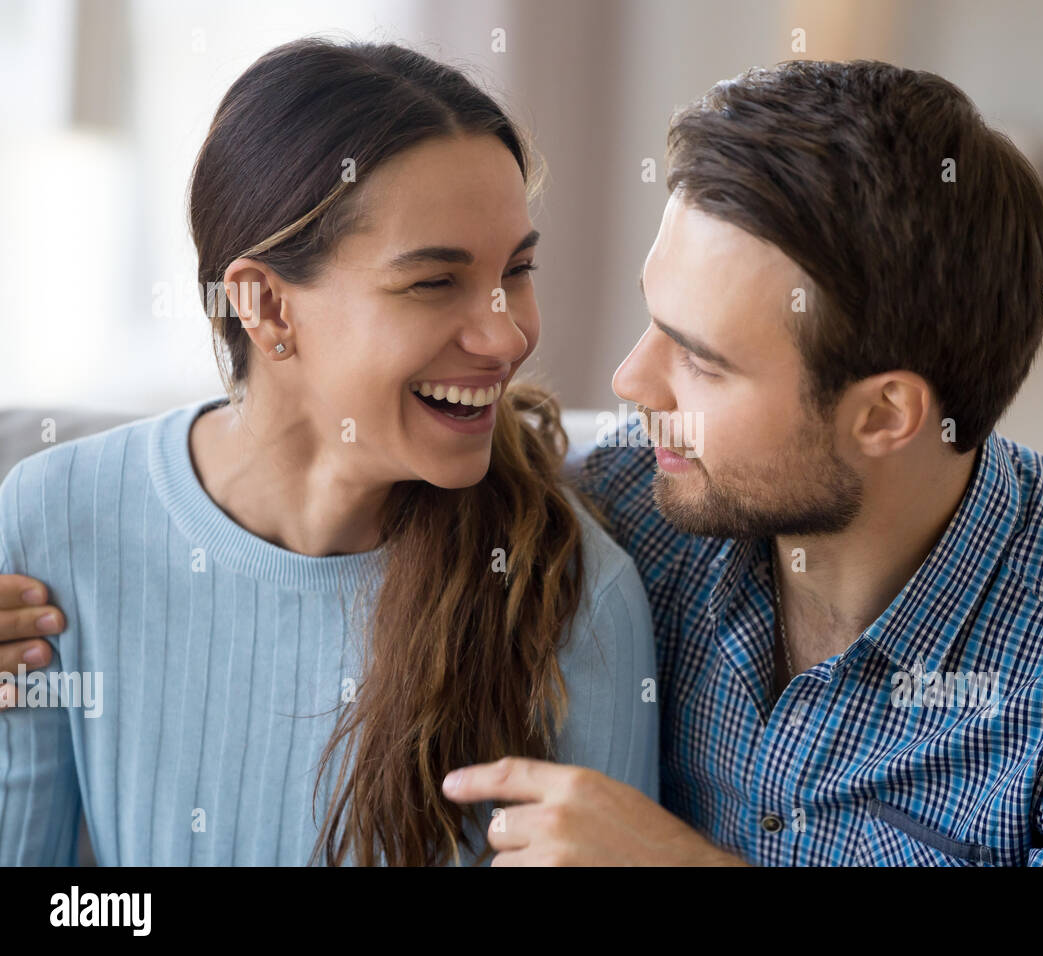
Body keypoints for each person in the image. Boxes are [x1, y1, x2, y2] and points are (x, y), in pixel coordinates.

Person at [8, 59, 1043, 868]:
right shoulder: (620, 505)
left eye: (702, 360)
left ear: (888, 414)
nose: (622, 385)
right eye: (647, 314)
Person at [0, 38, 657, 866]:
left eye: (516, 269)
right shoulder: (55, 517)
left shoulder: (571, 592)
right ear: (268, 308)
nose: (508, 332)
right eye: (434, 281)